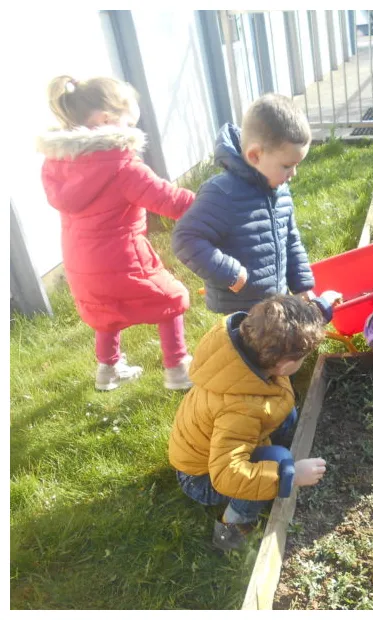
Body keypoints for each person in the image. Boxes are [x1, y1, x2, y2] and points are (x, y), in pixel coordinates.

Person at [37, 75, 196, 391]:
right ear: (107, 120)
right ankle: (177, 368)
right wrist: (209, 204)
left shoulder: (57, 164)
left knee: (105, 309)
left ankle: (108, 371)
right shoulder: (121, 165)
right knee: (172, 298)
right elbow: (166, 199)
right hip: (121, 257)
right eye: (129, 122)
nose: (133, 130)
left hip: (81, 263)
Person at [168, 293, 337, 552]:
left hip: (219, 445)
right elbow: (229, 475)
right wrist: (289, 476)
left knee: (285, 412)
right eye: (303, 357)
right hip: (204, 478)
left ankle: (286, 456)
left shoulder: (244, 344)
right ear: (284, 366)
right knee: (278, 459)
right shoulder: (239, 410)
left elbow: (285, 329)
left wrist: (320, 310)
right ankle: (233, 527)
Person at [172, 93, 314, 315]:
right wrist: (229, 272)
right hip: (238, 309)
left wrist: (302, 286)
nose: (293, 173)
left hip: (274, 304)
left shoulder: (280, 192)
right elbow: (186, 239)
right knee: (244, 351)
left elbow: (291, 241)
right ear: (255, 155)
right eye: (287, 165)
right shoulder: (221, 193)